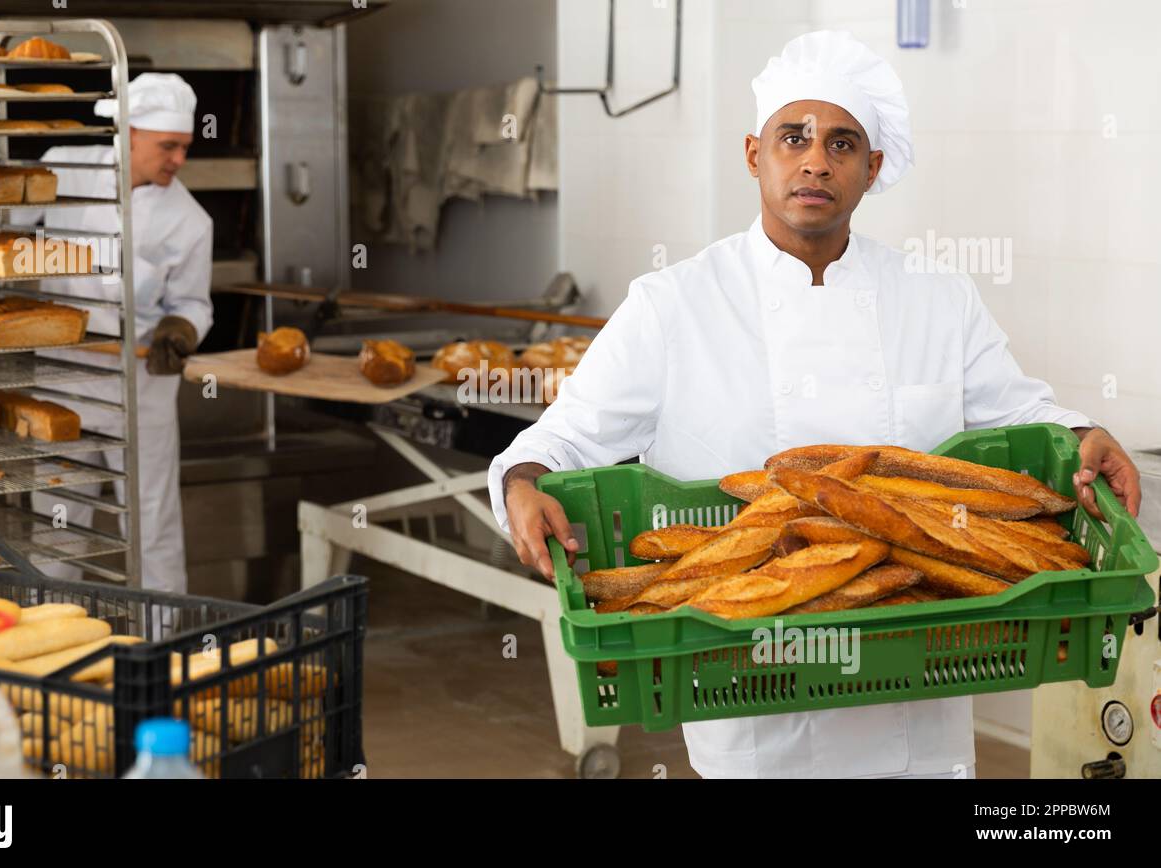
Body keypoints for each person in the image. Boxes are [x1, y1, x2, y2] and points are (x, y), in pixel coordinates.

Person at [488, 31, 1142, 779]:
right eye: (791, 137)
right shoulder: (674, 305)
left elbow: (1024, 419)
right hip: (752, 708)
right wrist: (522, 484)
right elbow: (566, 437)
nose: (814, 161)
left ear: (872, 168)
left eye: (841, 143)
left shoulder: (936, 299)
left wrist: (1083, 431)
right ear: (752, 155)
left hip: (918, 701)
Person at [0, 72, 213, 594]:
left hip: (140, 383)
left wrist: (180, 329)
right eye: (169, 146)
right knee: (59, 521)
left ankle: (165, 645)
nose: (178, 160)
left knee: (151, 524)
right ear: (129, 132)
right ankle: (58, 641)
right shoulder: (65, 167)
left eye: (185, 147)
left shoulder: (190, 221)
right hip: (61, 379)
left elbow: (193, 304)